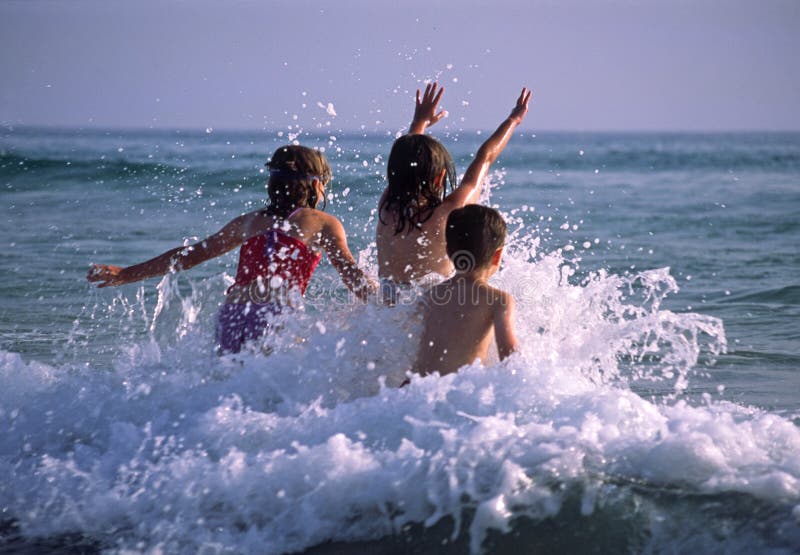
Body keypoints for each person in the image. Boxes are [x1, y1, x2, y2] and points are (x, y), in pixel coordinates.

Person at [88, 145, 374, 354]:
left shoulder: (249, 221)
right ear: (315, 184)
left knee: (230, 390)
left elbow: (191, 255)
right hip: (274, 316)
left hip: (233, 315)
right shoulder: (323, 222)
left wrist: (127, 273)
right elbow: (351, 274)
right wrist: (391, 302)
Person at [376, 82, 532, 287]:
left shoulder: (387, 207)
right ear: (440, 178)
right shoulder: (448, 213)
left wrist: (419, 121)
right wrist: (514, 120)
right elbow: (484, 157)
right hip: (433, 313)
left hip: (383, 315)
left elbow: (407, 161)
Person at [413, 204, 518, 376]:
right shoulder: (498, 300)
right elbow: (510, 357)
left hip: (418, 390)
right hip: (460, 392)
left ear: (448, 252)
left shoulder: (432, 294)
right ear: (497, 255)